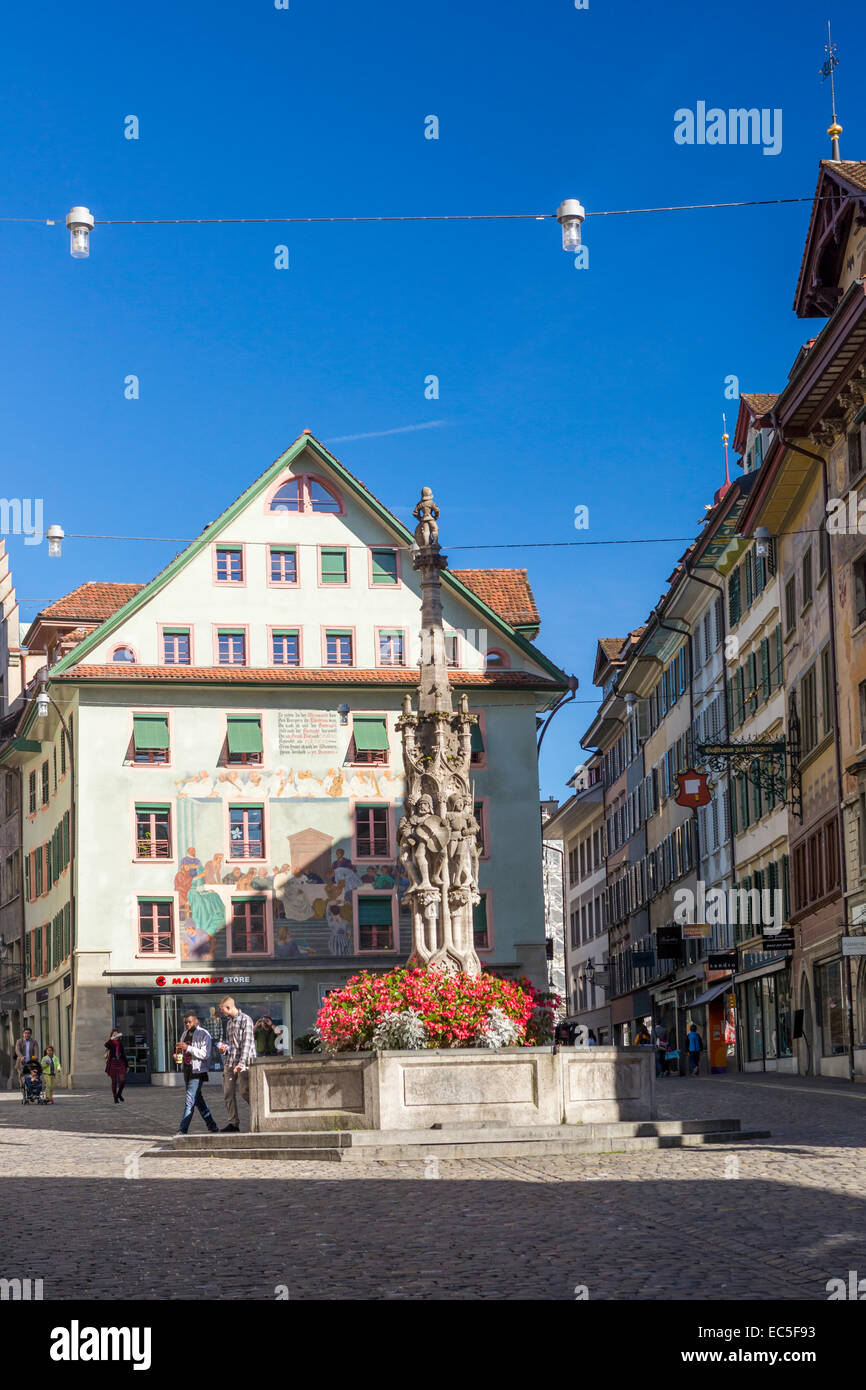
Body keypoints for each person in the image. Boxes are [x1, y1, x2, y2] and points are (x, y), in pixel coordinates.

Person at [175, 1010, 219, 1136]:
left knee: (190, 1100)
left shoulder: (204, 1034)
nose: (187, 1025)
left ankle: (183, 1130)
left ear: (196, 1021)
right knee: (198, 1100)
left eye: (189, 1022)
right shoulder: (184, 1034)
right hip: (187, 1070)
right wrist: (177, 1055)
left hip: (198, 1071)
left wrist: (187, 1048)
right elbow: (182, 1052)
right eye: (185, 1023)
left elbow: (205, 1054)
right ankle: (212, 1126)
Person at [217, 996, 256, 1132]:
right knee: (228, 1093)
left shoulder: (246, 1020)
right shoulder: (229, 1023)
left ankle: (259, 1114)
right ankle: (233, 1123)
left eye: (223, 1010)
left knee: (245, 1092)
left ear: (228, 1007)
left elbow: (247, 1043)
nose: (222, 1013)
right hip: (230, 1062)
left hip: (244, 1063)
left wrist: (241, 1063)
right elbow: (231, 1045)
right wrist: (224, 1050)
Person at [104, 1029, 128, 1102]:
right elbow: (106, 1045)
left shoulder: (120, 1043)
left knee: (122, 1080)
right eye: (114, 1035)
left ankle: (119, 1094)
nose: (116, 1036)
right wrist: (112, 1038)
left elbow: (123, 1054)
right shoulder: (110, 1043)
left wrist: (127, 1065)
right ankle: (115, 1097)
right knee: (114, 1081)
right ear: (112, 1035)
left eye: (117, 1034)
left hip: (120, 1063)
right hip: (112, 1063)